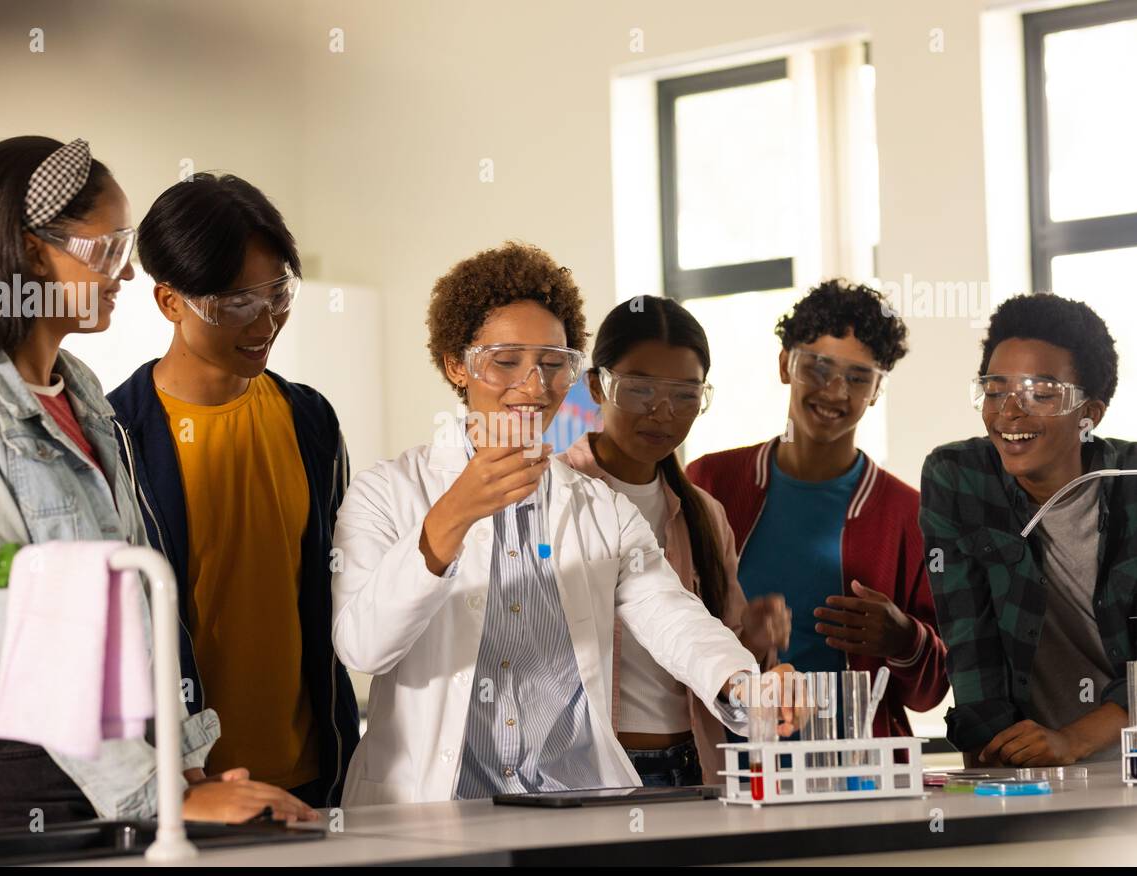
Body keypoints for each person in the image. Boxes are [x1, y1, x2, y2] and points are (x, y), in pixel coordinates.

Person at [0, 136, 313, 831]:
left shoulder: (79, 389)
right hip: (3, 761)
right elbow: (5, 601)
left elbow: (142, 595)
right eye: (107, 249)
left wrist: (184, 762)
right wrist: (157, 790)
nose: (128, 271)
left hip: (109, 751)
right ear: (29, 251)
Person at [331, 242, 800, 807]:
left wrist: (744, 683)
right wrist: (452, 515)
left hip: (573, 810)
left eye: (553, 364)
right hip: (432, 813)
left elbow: (673, 617)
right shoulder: (388, 492)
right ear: (458, 364)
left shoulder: (599, 508)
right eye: (506, 361)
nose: (534, 386)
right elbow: (362, 646)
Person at [108, 173, 360, 809]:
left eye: (277, 293)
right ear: (169, 302)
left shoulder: (311, 420)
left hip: (316, 773)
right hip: (187, 790)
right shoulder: (117, 437)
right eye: (234, 303)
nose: (265, 321)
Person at [687, 279, 947, 737]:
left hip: (862, 778)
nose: (835, 392)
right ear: (786, 364)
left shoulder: (907, 513)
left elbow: (930, 692)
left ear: (878, 389)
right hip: (732, 771)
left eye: (858, 377)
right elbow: (666, 637)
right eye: (819, 368)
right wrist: (741, 641)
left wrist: (903, 637)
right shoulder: (711, 482)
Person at [558, 295, 790, 786]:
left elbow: (713, 653)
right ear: (597, 387)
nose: (662, 412)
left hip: (691, 763)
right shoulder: (555, 496)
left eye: (685, 394)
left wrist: (755, 637)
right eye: (640, 389)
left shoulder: (703, 513)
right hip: (590, 767)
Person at [921, 293, 1134, 767]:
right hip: (1035, 769)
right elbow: (968, 637)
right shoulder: (958, 476)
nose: (1009, 413)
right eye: (995, 390)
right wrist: (998, 751)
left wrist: (1072, 741)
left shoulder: (1132, 489)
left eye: (1040, 393)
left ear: (1090, 415)